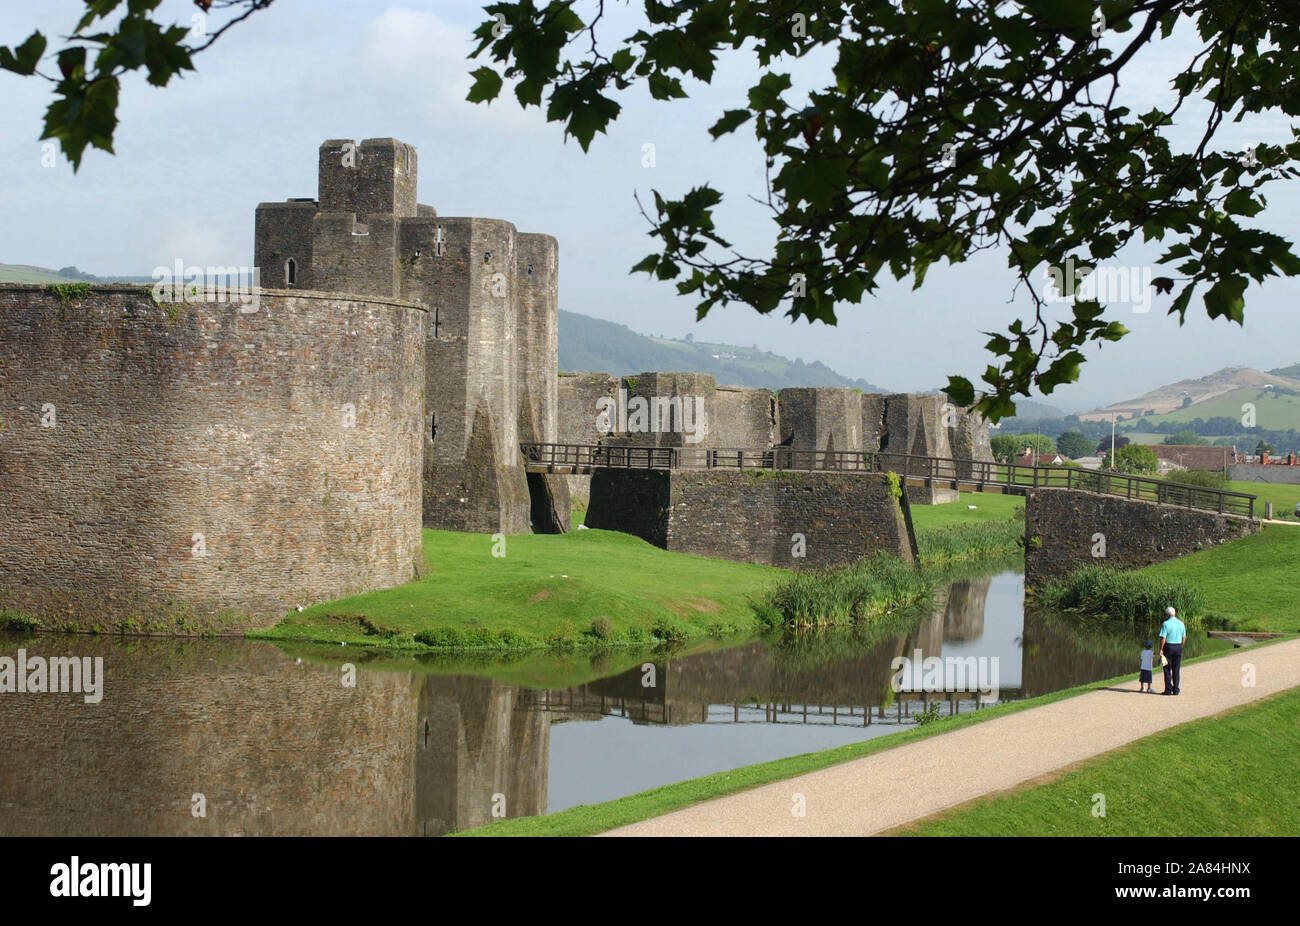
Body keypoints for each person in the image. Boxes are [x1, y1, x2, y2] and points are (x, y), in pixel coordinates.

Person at [1158, 606, 1186, 695]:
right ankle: (1176, 689)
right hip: (1178, 646)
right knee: (1176, 669)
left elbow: (1163, 638)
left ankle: (1168, 689)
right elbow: (1184, 638)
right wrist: (1181, 646)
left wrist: (1161, 649)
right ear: (1175, 614)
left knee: (1167, 669)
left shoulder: (1165, 624)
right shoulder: (1181, 623)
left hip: (1168, 647)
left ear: (1167, 615)